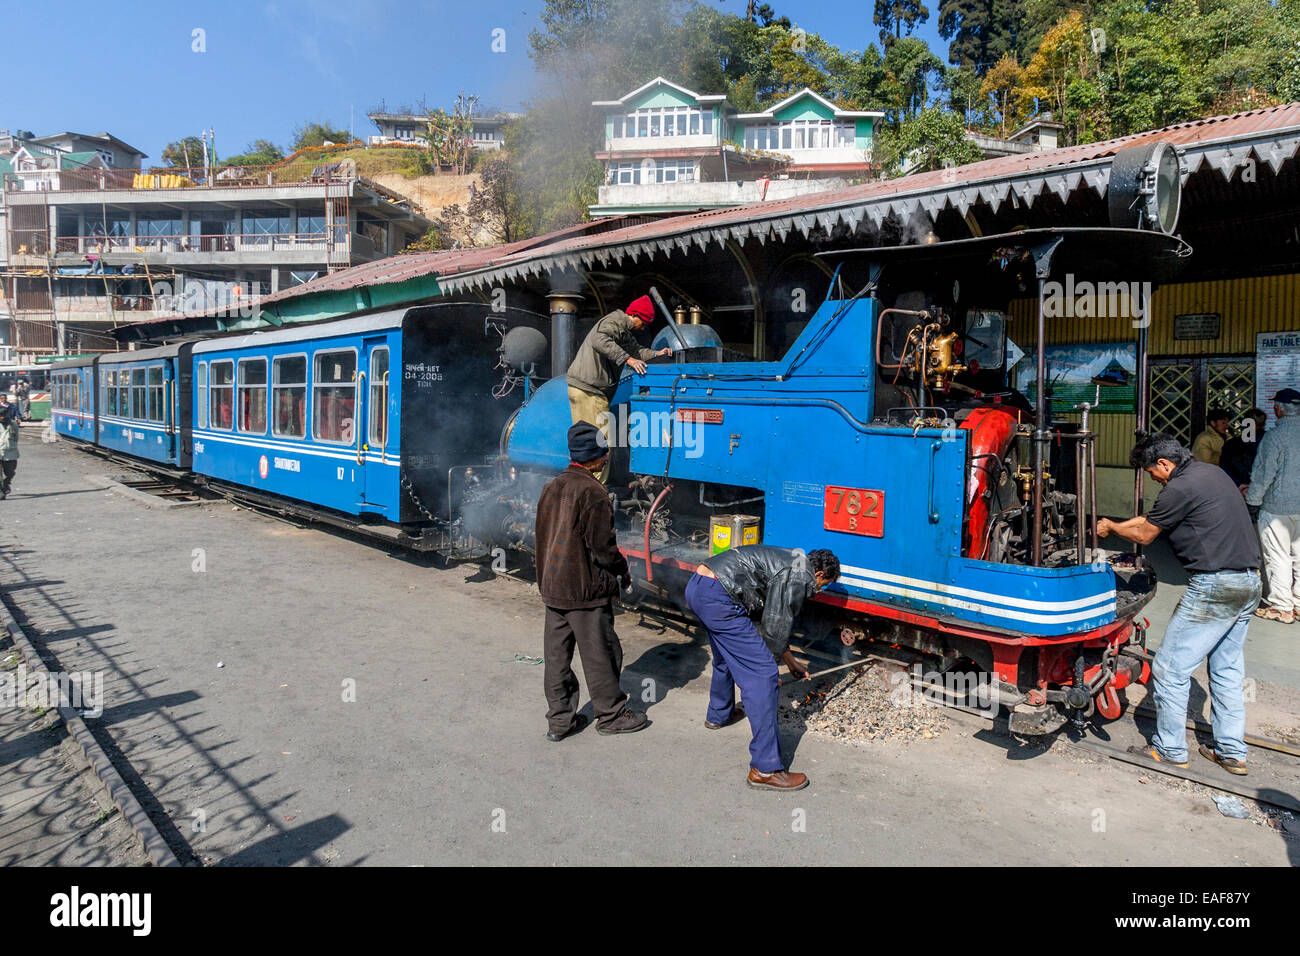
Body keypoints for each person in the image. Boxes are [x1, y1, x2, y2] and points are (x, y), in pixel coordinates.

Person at [1098, 432, 1260, 775]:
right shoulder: (1210, 474)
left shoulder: (1179, 488)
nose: (1153, 479)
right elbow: (1151, 519)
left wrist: (1112, 528)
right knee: (1227, 670)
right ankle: (1232, 751)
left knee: (1170, 670)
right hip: (1249, 583)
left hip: (1215, 586)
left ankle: (1170, 749)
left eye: (1151, 472)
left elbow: (1145, 534)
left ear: (1164, 463)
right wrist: (1113, 524)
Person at [684, 544, 840, 791]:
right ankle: (766, 770)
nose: (819, 590)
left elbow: (771, 618)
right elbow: (775, 626)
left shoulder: (790, 560)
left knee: (725, 656)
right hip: (719, 597)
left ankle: (719, 714)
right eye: (824, 584)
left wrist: (790, 661)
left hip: (699, 587)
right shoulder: (800, 576)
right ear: (819, 574)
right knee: (764, 677)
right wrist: (769, 668)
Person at [533, 422, 649, 741]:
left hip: (553, 587)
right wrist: (623, 570)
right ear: (596, 458)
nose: (608, 456)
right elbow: (602, 548)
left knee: (557, 657)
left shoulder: (552, 486)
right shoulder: (593, 492)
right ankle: (611, 714)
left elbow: (541, 536)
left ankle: (559, 722)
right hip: (584, 589)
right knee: (601, 653)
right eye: (604, 452)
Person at [565, 295, 672, 483]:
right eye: (644, 323)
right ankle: (595, 488)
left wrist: (657, 354)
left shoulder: (623, 332)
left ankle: (587, 485)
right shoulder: (614, 321)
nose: (644, 328)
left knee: (589, 442)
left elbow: (637, 351)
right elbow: (599, 339)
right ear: (635, 315)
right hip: (590, 390)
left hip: (588, 389)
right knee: (599, 444)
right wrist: (628, 360)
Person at [1245, 388, 1300, 623]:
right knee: (1299, 556)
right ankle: (1297, 603)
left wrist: (1252, 502)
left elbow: (1263, 474)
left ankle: (1281, 605)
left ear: (1278, 409)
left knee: (1277, 555)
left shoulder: (1275, 437)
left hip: (1277, 507)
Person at [1219, 407, 1267, 491]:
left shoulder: (1231, 444)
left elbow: (1224, 468)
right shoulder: (1272, 441)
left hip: (1237, 490)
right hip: (1264, 490)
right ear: (1263, 424)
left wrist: (1239, 485)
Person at [0, 397, 18, 500]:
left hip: (9, 452)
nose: (2, 417)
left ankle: (6, 483)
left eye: (4, 415)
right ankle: (2, 490)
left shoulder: (13, 424)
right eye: (0, 416)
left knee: (10, 472)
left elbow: (16, 438)